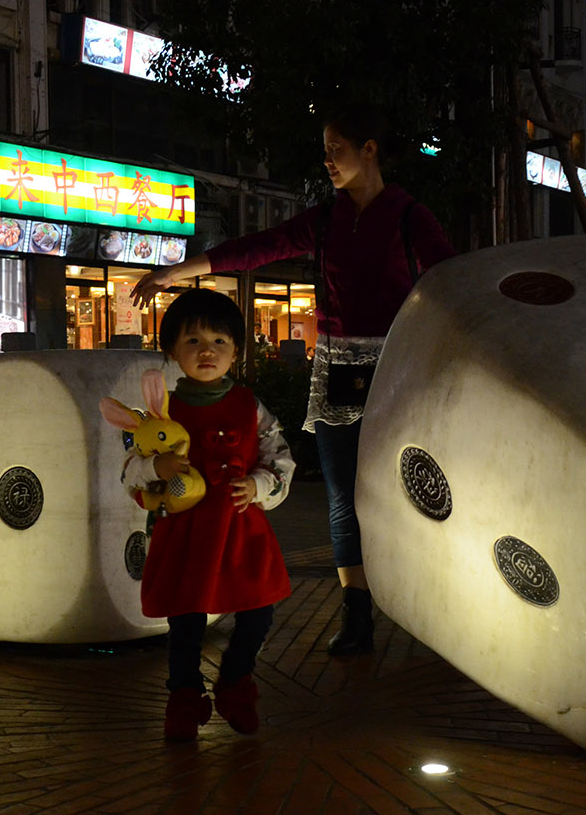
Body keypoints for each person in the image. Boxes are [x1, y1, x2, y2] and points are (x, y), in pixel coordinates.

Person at [133, 105, 454, 656]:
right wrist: (175, 272)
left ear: (369, 149)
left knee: (410, 489)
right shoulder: (325, 220)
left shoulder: (408, 216)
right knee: (341, 496)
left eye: (338, 149)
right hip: (335, 370)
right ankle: (357, 614)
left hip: (397, 371)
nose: (328, 160)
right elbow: (256, 247)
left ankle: (431, 604)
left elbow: (453, 279)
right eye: (325, 150)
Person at [118, 289, 294, 741]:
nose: (207, 351)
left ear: (237, 350)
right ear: (172, 350)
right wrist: (153, 468)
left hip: (241, 530)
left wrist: (257, 485)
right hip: (185, 535)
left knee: (258, 611)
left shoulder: (249, 406)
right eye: (193, 341)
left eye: (219, 340)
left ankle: (236, 681)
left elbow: (279, 458)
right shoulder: (160, 412)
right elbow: (128, 473)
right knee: (186, 623)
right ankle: (183, 697)